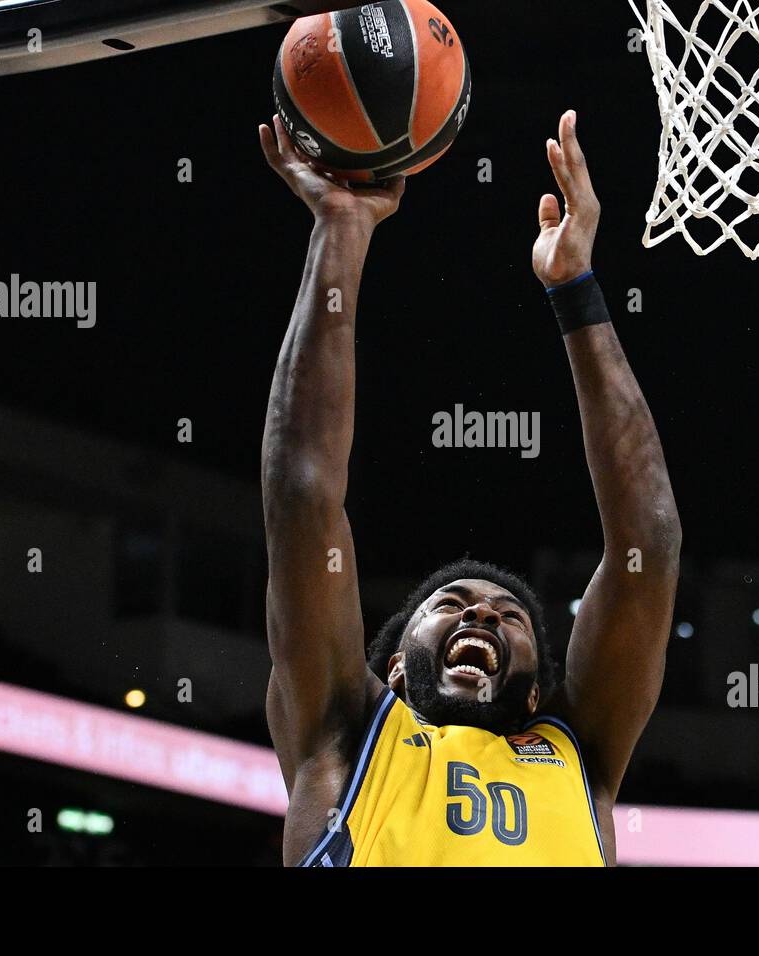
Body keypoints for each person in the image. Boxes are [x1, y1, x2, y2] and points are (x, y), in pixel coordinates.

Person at [258, 109, 681, 866]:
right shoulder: (345, 730)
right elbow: (302, 498)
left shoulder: (577, 758)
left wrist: (577, 288)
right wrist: (342, 225)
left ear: (531, 697)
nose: (481, 611)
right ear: (392, 667)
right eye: (449, 605)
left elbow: (649, 542)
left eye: (509, 615)